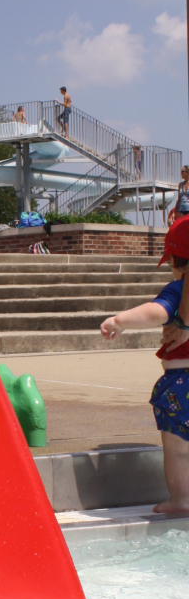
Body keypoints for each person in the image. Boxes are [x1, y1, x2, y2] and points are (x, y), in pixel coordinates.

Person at [99, 217, 189, 516]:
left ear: (178, 261)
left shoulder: (180, 288)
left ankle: (181, 501)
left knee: (179, 450)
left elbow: (156, 312)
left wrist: (120, 321)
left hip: (182, 383)